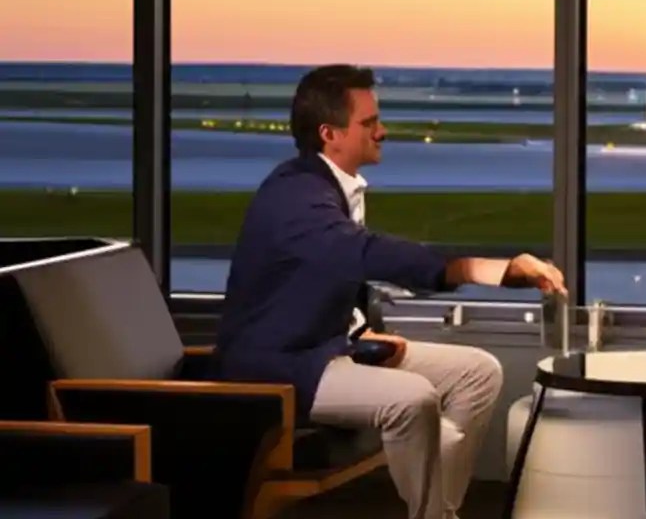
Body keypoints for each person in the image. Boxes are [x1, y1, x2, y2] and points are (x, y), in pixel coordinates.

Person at [212, 64, 566, 519]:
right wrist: (492, 270)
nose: (382, 131)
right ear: (329, 133)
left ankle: (439, 512)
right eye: (369, 123)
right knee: (412, 400)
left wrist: (360, 338)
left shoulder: (331, 188)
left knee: (478, 373)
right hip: (280, 366)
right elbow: (364, 254)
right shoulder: (295, 197)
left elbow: (325, 277)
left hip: (329, 348)